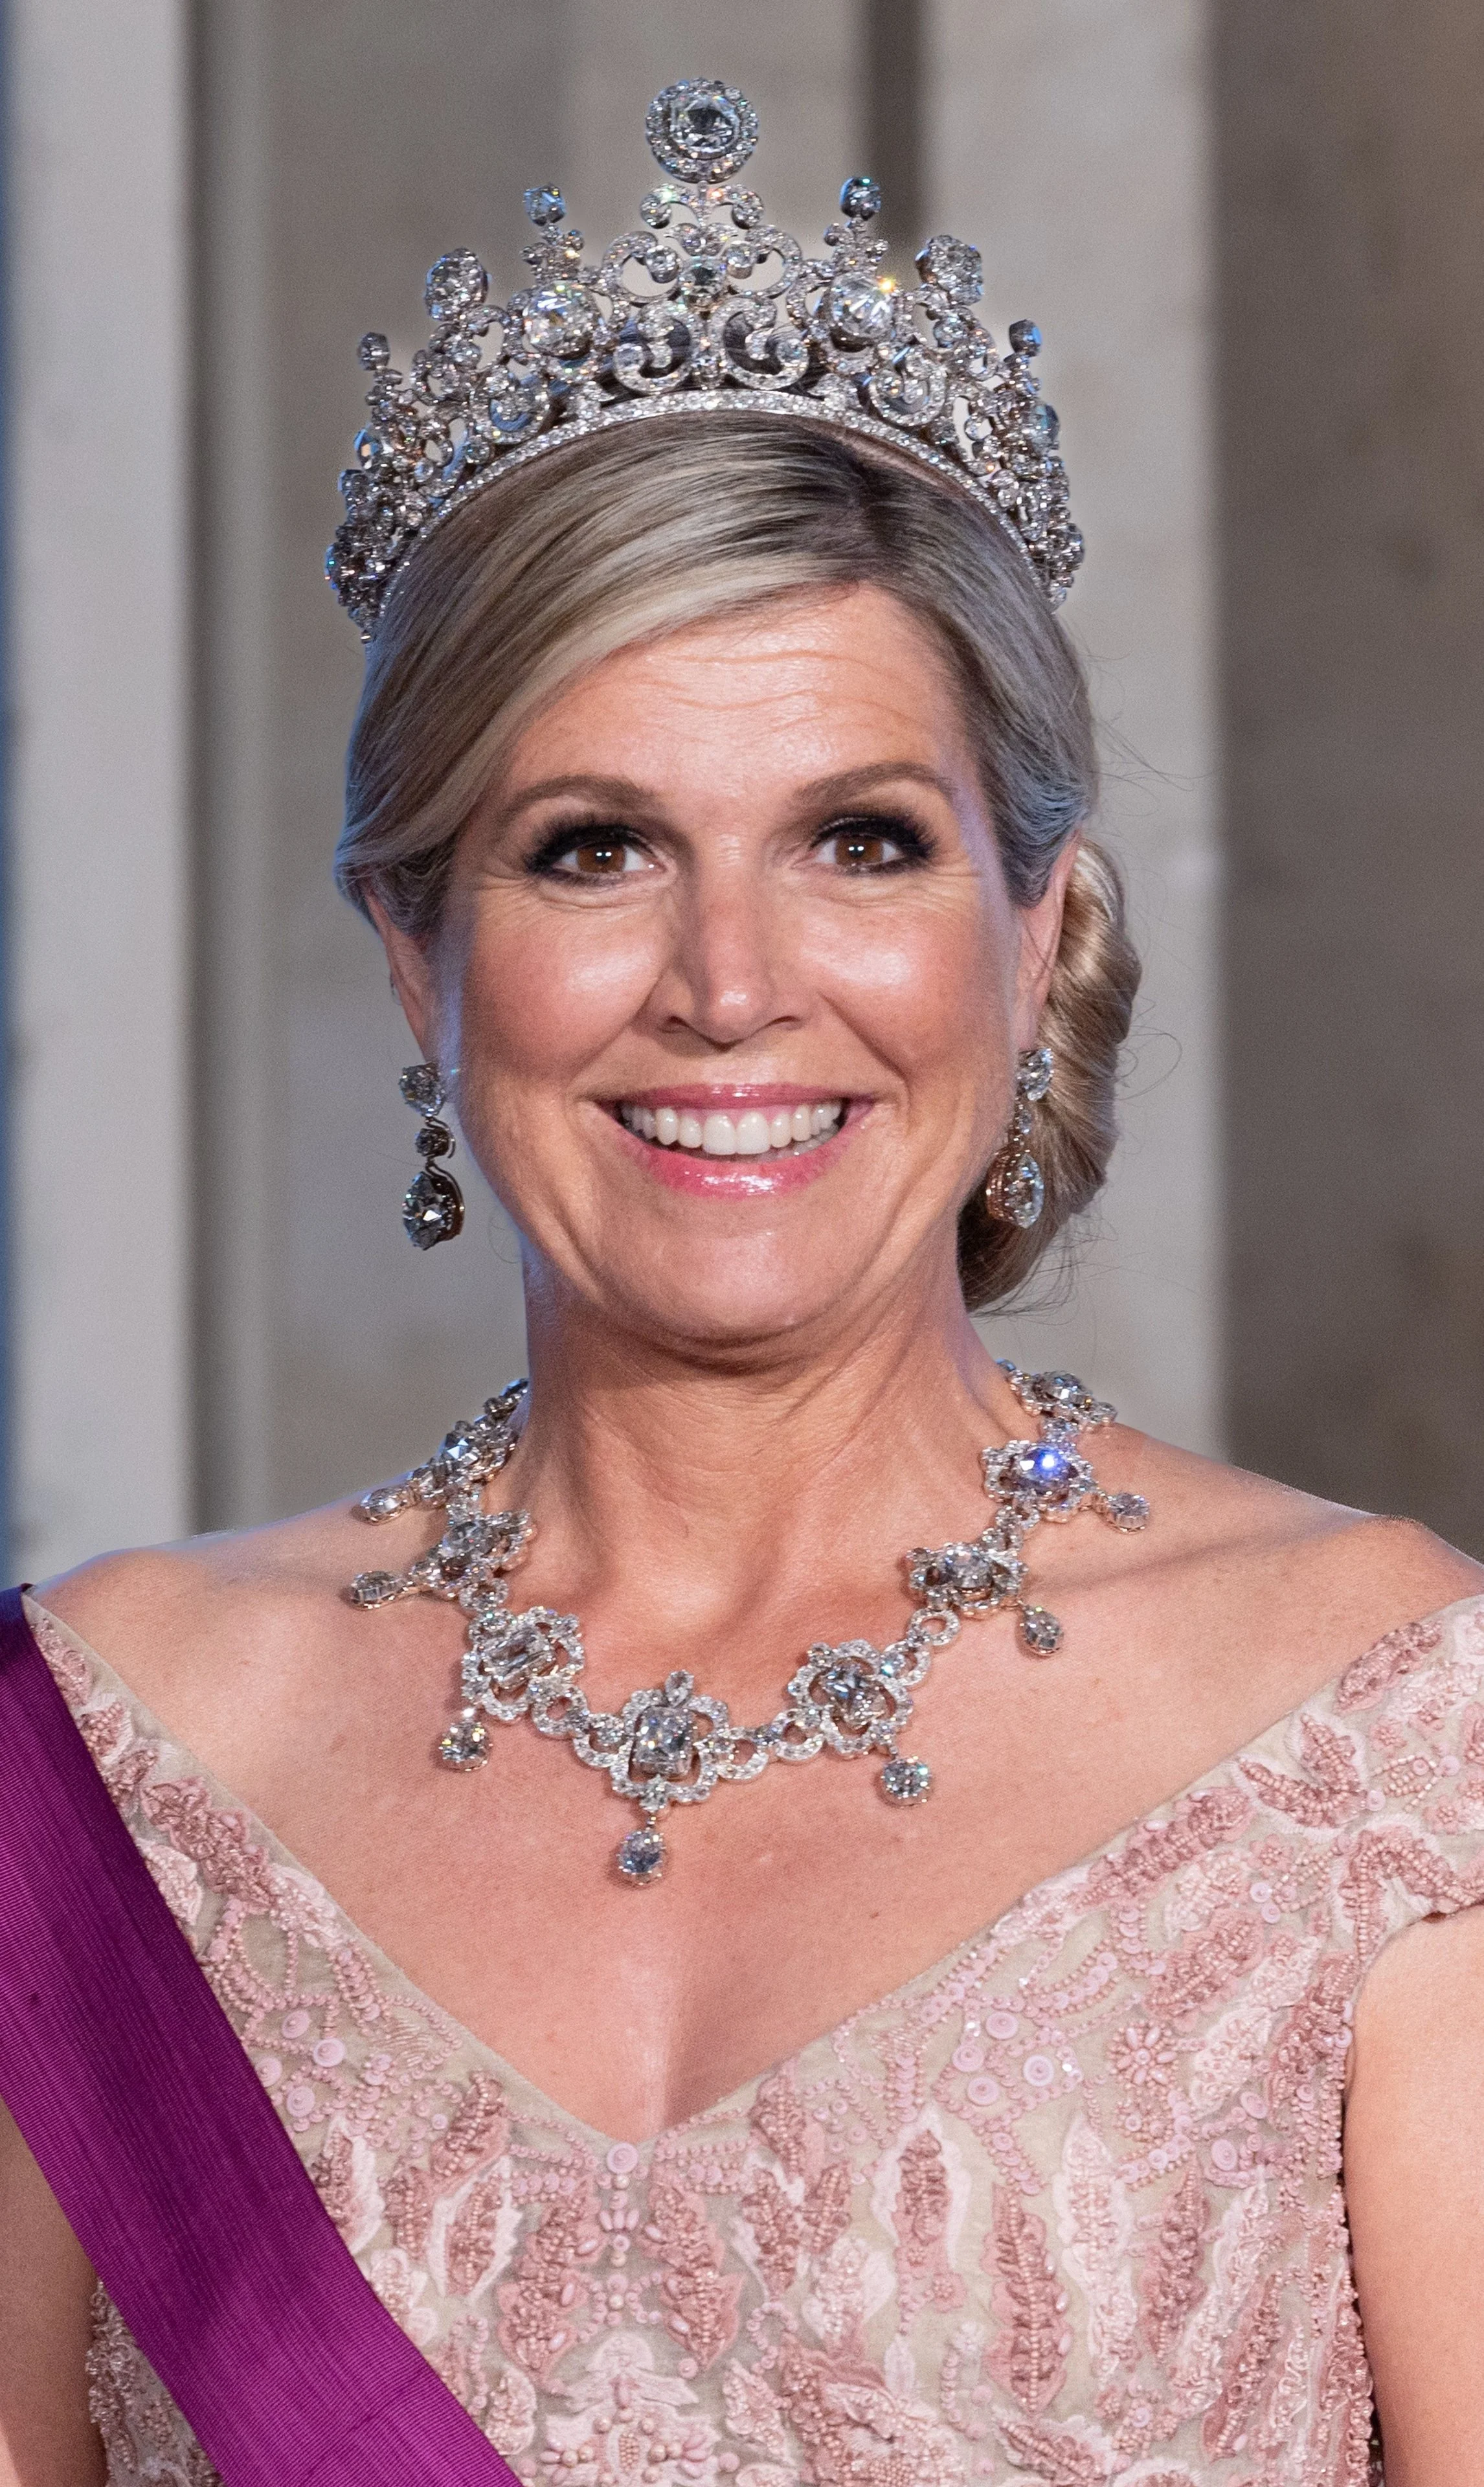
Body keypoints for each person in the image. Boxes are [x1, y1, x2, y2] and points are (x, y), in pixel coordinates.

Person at [3, 77, 1481, 2487]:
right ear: (415, 953)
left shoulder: (1397, 1754)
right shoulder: (99, 1773)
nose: (725, 982)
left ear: (1037, 932)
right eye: (592, 850)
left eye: (857, 843)